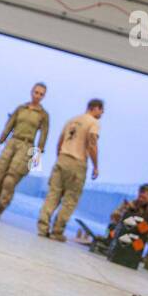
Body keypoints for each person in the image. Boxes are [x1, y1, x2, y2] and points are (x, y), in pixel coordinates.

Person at [38, 99, 103, 241]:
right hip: (77, 162)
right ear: (95, 108)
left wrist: (60, 158)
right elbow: (92, 144)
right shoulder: (93, 123)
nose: (102, 113)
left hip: (62, 159)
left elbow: (60, 142)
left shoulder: (72, 120)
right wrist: (96, 166)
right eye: (101, 110)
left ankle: (43, 228)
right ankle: (57, 231)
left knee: (53, 195)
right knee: (70, 200)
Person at [0, 83, 49, 218]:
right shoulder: (21, 109)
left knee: (10, 180)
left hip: (27, 146)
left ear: (44, 96)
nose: (38, 96)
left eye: (41, 94)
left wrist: (37, 155)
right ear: (31, 92)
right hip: (12, 142)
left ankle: (0, 207)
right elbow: (9, 125)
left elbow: (43, 135)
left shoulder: (43, 115)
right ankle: (5, 199)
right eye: (36, 92)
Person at [110, 183, 148, 252]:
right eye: (139, 196)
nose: (141, 199)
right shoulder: (135, 203)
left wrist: (140, 229)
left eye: (144, 198)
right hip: (140, 227)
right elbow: (115, 215)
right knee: (115, 227)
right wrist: (121, 212)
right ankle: (119, 249)